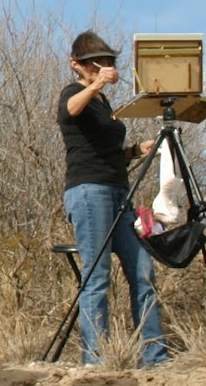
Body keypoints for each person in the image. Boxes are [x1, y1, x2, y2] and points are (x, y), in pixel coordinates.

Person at [56, 31, 170, 367]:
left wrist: (135, 151)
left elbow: (107, 153)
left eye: (108, 62)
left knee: (143, 270)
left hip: (119, 191)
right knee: (97, 275)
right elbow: (69, 111)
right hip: (89, 192)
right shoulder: (74, 93)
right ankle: (95, 360)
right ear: (76, 64)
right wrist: (96, 85)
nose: (104, 67)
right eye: (96, 63)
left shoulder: (103, 103)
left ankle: (155, 356)